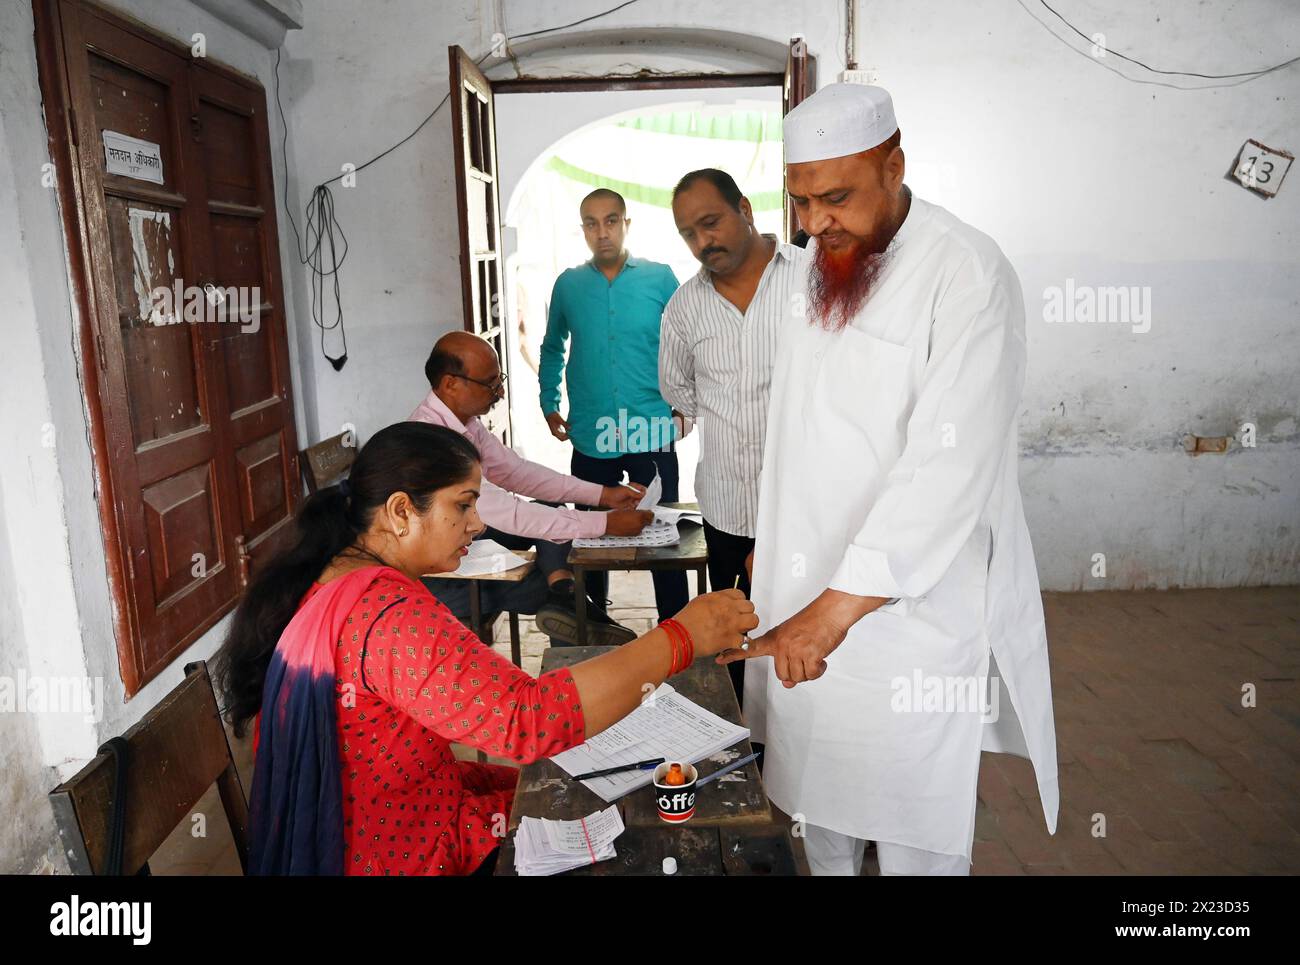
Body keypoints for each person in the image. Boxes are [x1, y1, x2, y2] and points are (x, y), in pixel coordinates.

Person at [719, 84, 1059, 876]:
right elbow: (801, 433)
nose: (815, 222)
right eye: (801, 201)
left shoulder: (967, 273)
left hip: (910, 614)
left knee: (914, 830)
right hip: (806, 600)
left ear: (895, 165)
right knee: (818, 813)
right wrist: (777, 555)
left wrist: (833, 614)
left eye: (836, 196)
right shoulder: (813, 269)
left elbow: (949, 467)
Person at [215, 422, 756, 876]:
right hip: (396, 852)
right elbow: (527, 720)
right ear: (401, 511)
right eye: (465, 505)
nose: (476, 523)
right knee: (628, 825)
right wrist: (679, 639)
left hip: (396, 810)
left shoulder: (331, 577)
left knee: (579, 786)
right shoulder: (387, 617)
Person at [659, 168, 807, 708]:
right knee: (735, 644)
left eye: (711, 222)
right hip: (728, 513)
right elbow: (681, 395)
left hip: (808, 509)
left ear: (744, 208)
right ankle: (748, 760)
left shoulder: (812, 280)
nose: (703, 243)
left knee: (805, 639)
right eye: (689, 234)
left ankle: (809, 760)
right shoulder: (684, 308)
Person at [413, 331, 652, 646]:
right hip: (441, 580)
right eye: (490, 384)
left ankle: (566, 595)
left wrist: (603, 495)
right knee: (556, 601)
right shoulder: (432, 441)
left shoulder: (464, 423)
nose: (498, 393)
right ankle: (575, 618)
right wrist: (605, 523)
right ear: (450, 384)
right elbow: (508, 513)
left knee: (551, 514)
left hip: (467, 541)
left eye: (500, 381)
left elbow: (517, 474)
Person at [539, 188, 688, 622]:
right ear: (582, 228)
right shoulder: (569, 284)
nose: (601, 231)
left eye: (610, 220)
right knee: (589, 538)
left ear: (626, 224)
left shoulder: (660, 278)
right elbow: (553, 347)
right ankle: (594, 623)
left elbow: (687, 339)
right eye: (591, 222)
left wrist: (684, 402)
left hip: (652, 429)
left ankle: (676, 624)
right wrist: (549, 402)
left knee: (663, 534)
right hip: (591, 433)